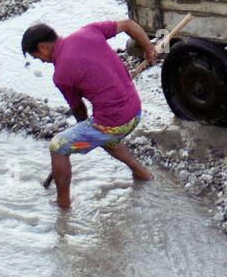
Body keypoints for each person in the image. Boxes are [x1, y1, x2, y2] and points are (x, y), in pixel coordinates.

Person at [21, 19, 156, 208]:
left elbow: (79, 110)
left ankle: (62, 204)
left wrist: (84, 126)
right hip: (135, 111)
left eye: (37, 57)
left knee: (57, 147)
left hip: (115, 123)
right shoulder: (89, 31)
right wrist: (149, 48)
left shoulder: (61, 74)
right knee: (104, 136)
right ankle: (142, 174)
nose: (41, 61)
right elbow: (127, 24)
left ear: (43, 47)